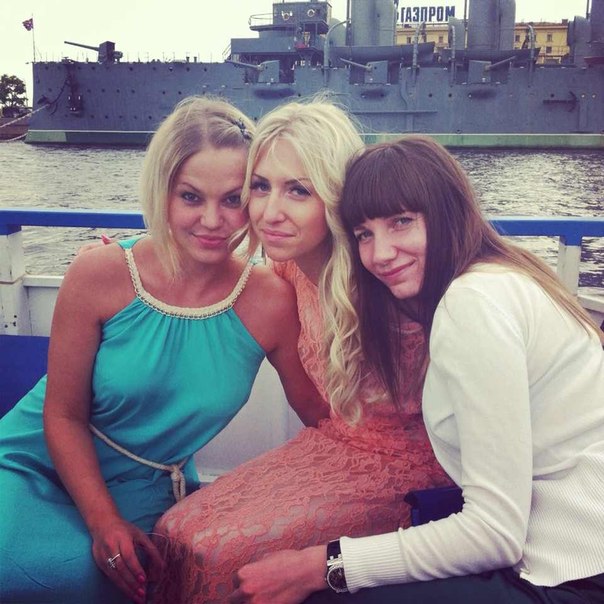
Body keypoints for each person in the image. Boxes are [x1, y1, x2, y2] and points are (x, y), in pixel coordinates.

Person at [231, 136, 604, 603]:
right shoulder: (502, 274)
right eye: (364, 234)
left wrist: (321, 565)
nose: (380, 254)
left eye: (401, 222)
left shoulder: (473, 303)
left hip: (575, 566)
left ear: (447, 213)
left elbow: (494, 532)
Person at [0, 96, 326, 604]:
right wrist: (104, 523)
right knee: (59, 573)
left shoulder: (271, 301)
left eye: (234, 199)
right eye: (190, 197)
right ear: (162, 190)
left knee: (147, 580)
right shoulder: (99, 273)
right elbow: (62, 415)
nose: (213, 220)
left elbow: (318, 414)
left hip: (149, 481)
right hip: (35, 463)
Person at [150, 100, 453, 603]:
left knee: (216, 549)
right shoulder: (287, 269)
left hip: (411, 468)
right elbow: (207, 269)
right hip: (335, 442)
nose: (270, 212)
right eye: (260, 187)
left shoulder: (386, 277)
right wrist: (126, 257)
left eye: (298, 190)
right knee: (176, 527)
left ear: (335, 197)